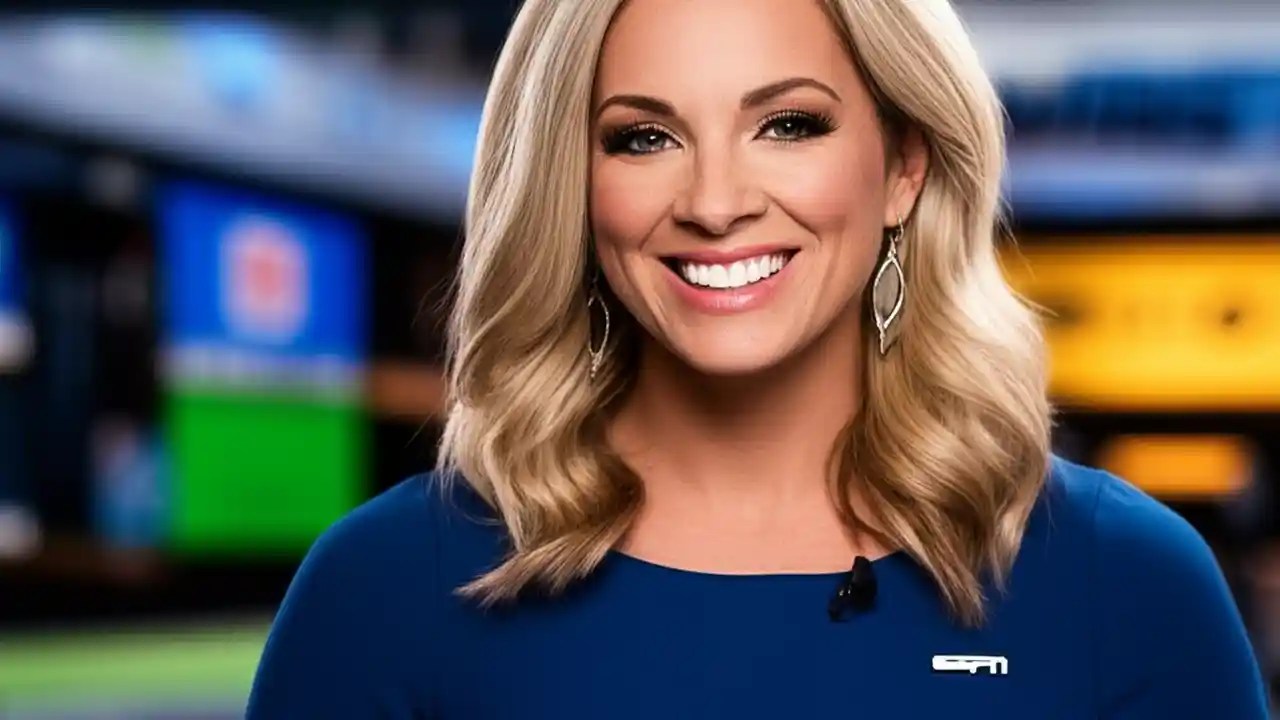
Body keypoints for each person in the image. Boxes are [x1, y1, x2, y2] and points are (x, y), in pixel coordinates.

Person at [246, 0, 1270, 717]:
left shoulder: (1122, 582)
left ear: (902, 167)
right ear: (573, 181)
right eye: (642, 138)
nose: (715, 201)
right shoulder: (382, 590)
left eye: (788, 124)